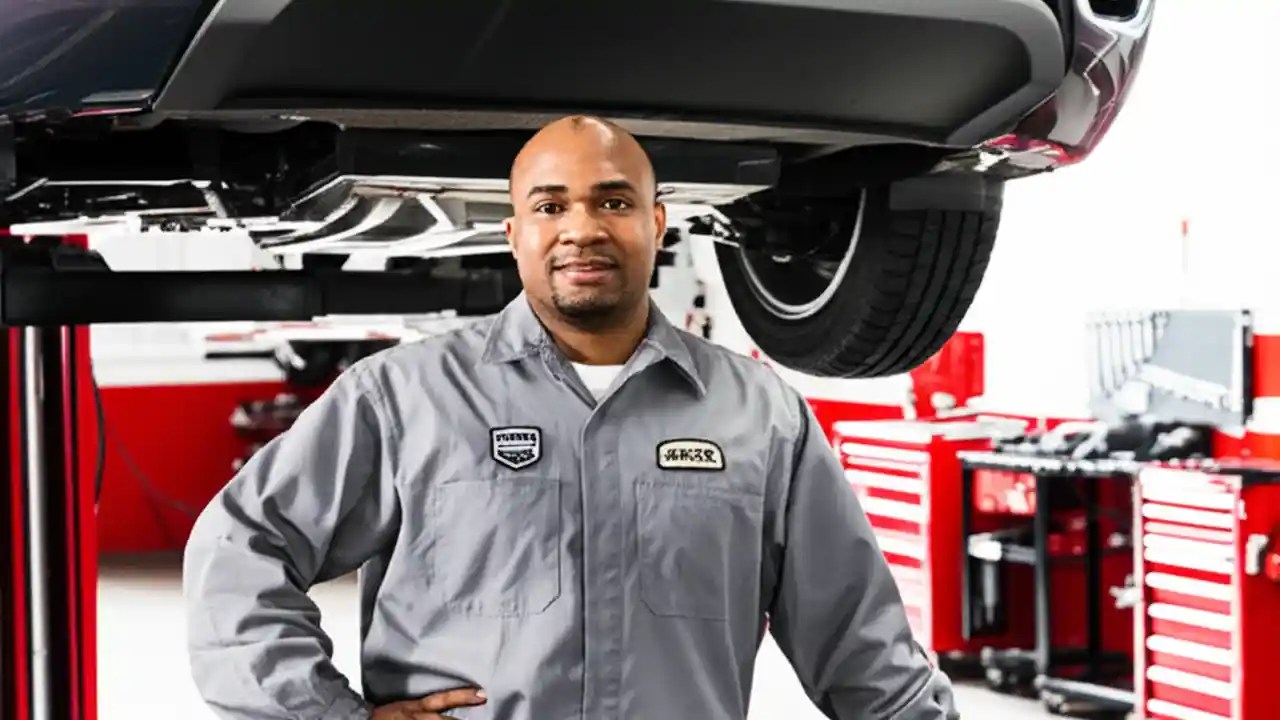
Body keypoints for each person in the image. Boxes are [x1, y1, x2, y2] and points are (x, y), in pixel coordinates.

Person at [183, 115, 960, 720]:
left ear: (658, 224)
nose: (582, 228)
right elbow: (240, 548)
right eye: (550, 206)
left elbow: (860, 644)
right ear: (514, 233)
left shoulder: (761, 417)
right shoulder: (403, 397)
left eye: (614, 202)